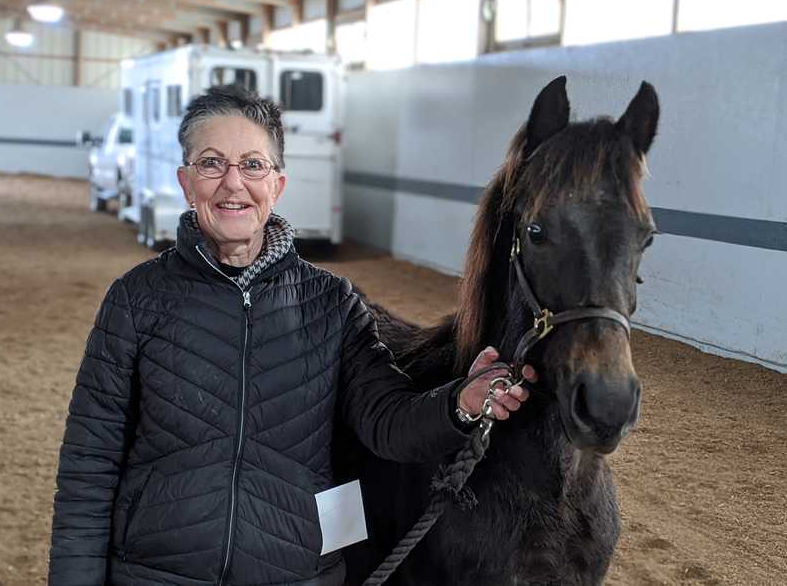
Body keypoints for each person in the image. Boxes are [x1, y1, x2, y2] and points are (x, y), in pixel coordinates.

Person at [48, 85, 536, 586]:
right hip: (155, 574)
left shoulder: (331, 303)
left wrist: (461, 402)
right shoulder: (135, 300)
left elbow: (388, 421)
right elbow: (89, 463)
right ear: (186, 182)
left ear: (277, 185)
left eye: (253, 165)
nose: (232, 184)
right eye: (211, 163)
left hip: (293, 575)